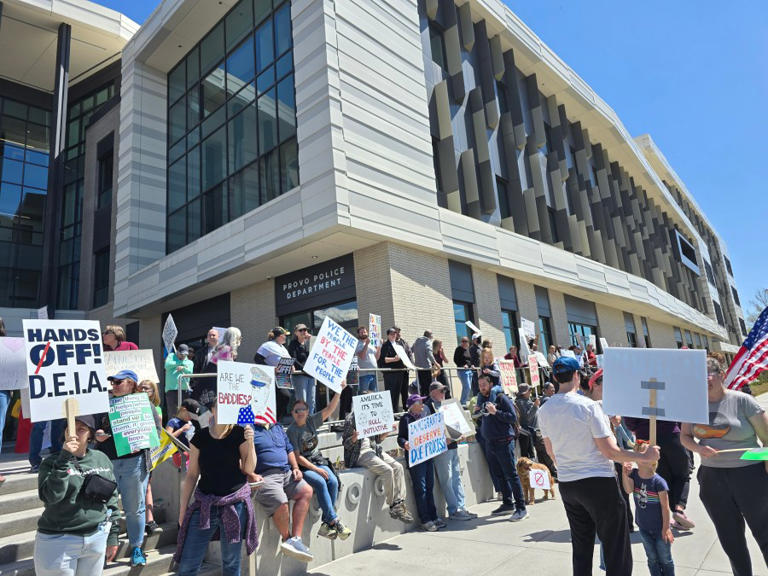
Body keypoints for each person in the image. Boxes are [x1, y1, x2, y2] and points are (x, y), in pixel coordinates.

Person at [538, 356, 661, 576]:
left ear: (555, 378)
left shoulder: (544, 410)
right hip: (598, 482)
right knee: (615, 546)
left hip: (567, 483)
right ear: (577, 376)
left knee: (581, 545)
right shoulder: (588, 406)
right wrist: (644, 456)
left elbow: (550, 451)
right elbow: (610, 452)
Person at [680, 356, 768, 575]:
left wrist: (764, 465)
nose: (703, 381)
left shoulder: (742, 401)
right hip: (713, 478)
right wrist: (698, 449)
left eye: (708, 374)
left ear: (722, 375)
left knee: (765, 533)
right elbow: (685, 436)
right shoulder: (693, 404)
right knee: (730, 539)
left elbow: (767, 440)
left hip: (750, 476)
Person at [34, 414, 121, 576]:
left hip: (96, 537)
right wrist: (64, 458)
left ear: (90, 435)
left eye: (81, 429)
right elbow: (51, 497)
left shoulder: (101, 458)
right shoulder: (51, 462)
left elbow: (112, 498)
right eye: (71, 429)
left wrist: (113, 535)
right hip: (59, 541)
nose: (75, 434)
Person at [175, 405, 257, 576]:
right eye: (221, 407)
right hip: (205, 504)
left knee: (231, 563)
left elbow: (249, 469)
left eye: (229, 408)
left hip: (234, 505)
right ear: (213, 410)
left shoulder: (239, 433)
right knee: (187, 565)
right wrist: (183, 511)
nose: (226, 411)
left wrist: (250, 442)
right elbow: (191, 475)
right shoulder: (201, 436)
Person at [95, 369, 162, 567]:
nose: (114, 386)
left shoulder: (145, 405)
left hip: (134, 463)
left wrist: (143, 441)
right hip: (107, 462)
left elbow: (157, 433)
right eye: (112, 382)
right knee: (104, 507)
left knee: (134, 508)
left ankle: (136, 548)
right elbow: (93, 429)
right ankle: (104, 548)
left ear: (131, 384)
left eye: (118, 382)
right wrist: (96, 435)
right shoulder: (104, 404)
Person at [287, 383, 352, 540]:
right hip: (304, 466)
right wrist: (316, 470)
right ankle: (334, 521)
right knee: (321, 482)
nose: (300, 413)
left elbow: (330, 409)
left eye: (303, 409)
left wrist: (339, 391)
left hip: (318, 460)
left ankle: (327, 523)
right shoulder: (292, 431)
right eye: (297, 411)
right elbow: (297, 457)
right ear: (293, 413)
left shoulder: (311, 421)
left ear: (307, 411)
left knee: (333, 482)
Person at [249, 419, 314, 562]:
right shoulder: (248, 427)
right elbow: (241, 453)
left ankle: (296, 539)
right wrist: (250, 474)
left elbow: (289, 449)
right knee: (281, 501)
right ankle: (287, 539)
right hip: (264, 475)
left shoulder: (277, 426)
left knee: (307, 491)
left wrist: (295, 468)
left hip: (286, 472)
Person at [474, 374, 528, 521]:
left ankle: (521, 508)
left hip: (504, 442)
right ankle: (507, 503)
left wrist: (496, 412)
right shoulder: (482, 400)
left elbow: (512, 417)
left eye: (484, 384)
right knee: (499, 475)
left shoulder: (501, 398)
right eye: (480, 385)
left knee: (511, 475)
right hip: (490, 442)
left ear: (491, 384)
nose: (482, 387)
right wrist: (478, 413)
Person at [342, 411, 413, 522]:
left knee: (398, 467)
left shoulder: (371, 414)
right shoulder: (351, 419)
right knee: (388, 470)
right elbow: (346, 444)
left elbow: (377, 439)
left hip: (373, 450)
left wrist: (388, 430)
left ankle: (399, 502)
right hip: (359, 453)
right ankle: (393, 505)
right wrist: (354, 437)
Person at [621, 443, 675, 576]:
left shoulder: (659, 482)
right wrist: (625, 474)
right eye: (640, 453)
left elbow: (665, 507)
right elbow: (628, 490)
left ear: (653, 460)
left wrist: (666, 528)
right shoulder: (634, 475)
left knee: (665, 560)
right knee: (652, 559)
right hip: (644, 527)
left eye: (646, 453)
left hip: (660, 529)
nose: (642, 455)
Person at [424, 382, 476, 521]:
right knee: (447, 479)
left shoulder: (446, 404)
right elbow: (426, 430)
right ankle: (454, 510)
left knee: (456, 478)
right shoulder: (428, 407)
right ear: (433, 392)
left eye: (444, 391)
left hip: (452, 446)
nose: (444, 393)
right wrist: (441, 440)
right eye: (441, 391)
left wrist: (462, 432)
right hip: (441, 448)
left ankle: (461, 508)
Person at [397, 394, 444, 532]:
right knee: (421, 489)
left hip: (427, 456)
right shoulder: (405, 419)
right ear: (413, 406)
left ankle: (434, 516)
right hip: (416, 459)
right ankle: (425, 519)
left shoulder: (425, 417)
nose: (423, 405)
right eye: (420, 403)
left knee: (429, 487)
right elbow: (400, 437)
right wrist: (405, 443)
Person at [515, 384, 557, 480]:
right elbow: (528, 417)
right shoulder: (521, 402)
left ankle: (547, 474)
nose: (530, 392)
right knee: (544, 452)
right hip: (531, 431)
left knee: (541, 454)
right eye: (529, 390)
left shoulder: (525, 401)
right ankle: (552, 473)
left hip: (533, 431)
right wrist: (535, 406)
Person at [139, 379, 162, 535]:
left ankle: (149, 519)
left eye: (146, 389)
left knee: (147, 486)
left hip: (148, 452)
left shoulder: (156, 409)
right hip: (131, 452)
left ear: (153, 393)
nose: (142, 391)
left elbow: (157, 431)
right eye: (140, 388)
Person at [255, 327, 292, 419]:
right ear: (280, 336)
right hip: (271, 377)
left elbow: (288, 359)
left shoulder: (282, 347)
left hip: (283, 377)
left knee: (285, 398)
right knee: (283, 396)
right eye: (285, 335)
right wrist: (271, 369)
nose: (286, 337)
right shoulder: (268, 345)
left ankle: (276, 419)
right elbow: (257, 358)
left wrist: (292, 366)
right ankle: (274, 419)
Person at [288, 324, 316, 415]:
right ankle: (301, 420)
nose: (304, 332)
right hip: (300, 374)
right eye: (301, 330)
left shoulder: (309, 343)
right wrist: (304, 369)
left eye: (305, 330)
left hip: (310, 375)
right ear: (296, 333)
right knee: (302, 400)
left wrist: (312, 340)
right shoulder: (293, 344)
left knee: (311, 400)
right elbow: (293, 359)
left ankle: (309, 420)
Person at [379, 327, 408, 412]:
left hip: (399, 372)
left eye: (395, 333)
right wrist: (394, 359)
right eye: (391, 334)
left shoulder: (398, 345)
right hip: (390, 374)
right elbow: (383, 359)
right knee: (390, 394)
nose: (394, 335)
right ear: (388, 335)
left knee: (397, 394)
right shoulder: (385, 345)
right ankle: (391, 413)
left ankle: (395, 412)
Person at [164, 343, 193, 419]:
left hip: (184, 390)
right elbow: (167, 365)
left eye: (185, 354)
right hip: (171, 389)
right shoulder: (171, 356)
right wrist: (180, 363)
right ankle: (173, 426)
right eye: (181, 354)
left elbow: (190, 372)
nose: (183, 356)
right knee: (172, 412)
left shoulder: (189, 362)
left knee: (184, 412)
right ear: (177, 352)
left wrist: (183, 368)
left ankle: (183, 426)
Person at [412, 330, 438, 397]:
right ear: (430, 335)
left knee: (422, 386)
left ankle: (423, 400)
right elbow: (430, 354)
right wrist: (435, 363)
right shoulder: (428, 342)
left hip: (418, 368)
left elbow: (410, 351)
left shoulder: (416, 341)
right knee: (428, 387)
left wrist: (412, 362)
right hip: (426, 368)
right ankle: (428, 401)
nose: (432, 336)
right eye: (432, 334)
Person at [355, 326, 380, 394]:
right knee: (364, 395)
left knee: (373, 395)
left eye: (365, 332)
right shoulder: (357, 344)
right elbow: (362, 357)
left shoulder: (371, 344)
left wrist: (379, 347)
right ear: (358, 334)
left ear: (367, 333)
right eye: (361, 332)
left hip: (374, 374)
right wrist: (366, 344)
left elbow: (377, 358)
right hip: (364, 375)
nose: (363, 333)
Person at [453, 336, 474, 406]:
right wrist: (462, 365)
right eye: (462, 341)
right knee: (467, 387)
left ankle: (463, 402)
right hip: (462, 371)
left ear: (468, 342)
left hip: (469, 370)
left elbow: (470, 360)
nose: (463, 343)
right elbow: (455, 359)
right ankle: (462, 403)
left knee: (468, 388)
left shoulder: (468, 350)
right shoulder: (458, 349)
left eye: (465, 341)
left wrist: (471, 365)